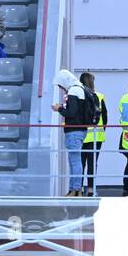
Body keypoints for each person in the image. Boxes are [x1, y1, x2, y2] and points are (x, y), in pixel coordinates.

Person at [53, 69, 92, 197]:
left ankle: (76, 190)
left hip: (74, 131)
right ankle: (74, 189)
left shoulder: (73, 91)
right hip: (80, 130)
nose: (61, 89)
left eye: (60, 86)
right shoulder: (81, 89)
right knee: (74, 160)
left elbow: (71, 113)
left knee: (75, 161)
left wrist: (59, 108)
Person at [79, 72, 107, 195]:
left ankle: (78, 189)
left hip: (81, 135)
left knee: (79, 164)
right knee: (92, 164)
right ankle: (91, 190)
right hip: (96, 136)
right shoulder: (99, 96)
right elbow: (105, 117)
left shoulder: (78, 95)